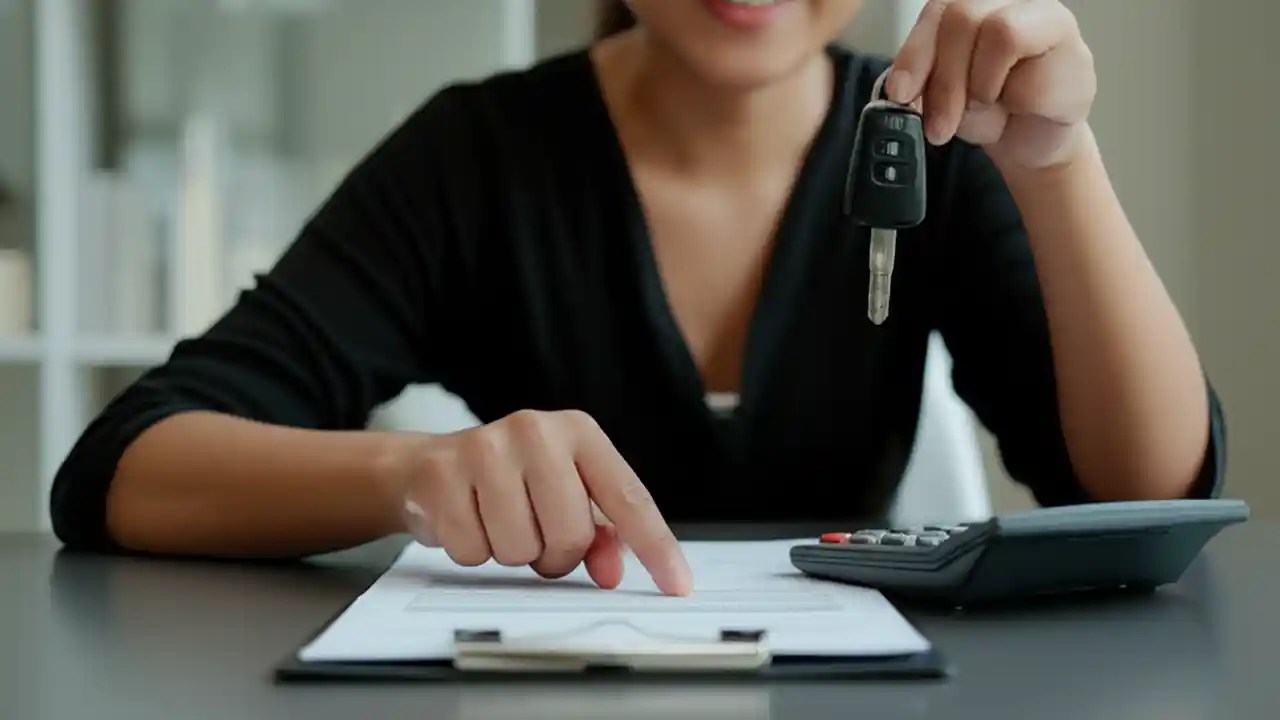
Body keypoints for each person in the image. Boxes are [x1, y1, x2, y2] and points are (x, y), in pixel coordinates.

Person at [51, 0, 1225, 597]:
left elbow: (1142, 494)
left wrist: (1057, 166)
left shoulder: (939, 149)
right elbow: (122, 468)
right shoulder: (475, 158)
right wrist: (405, 474)